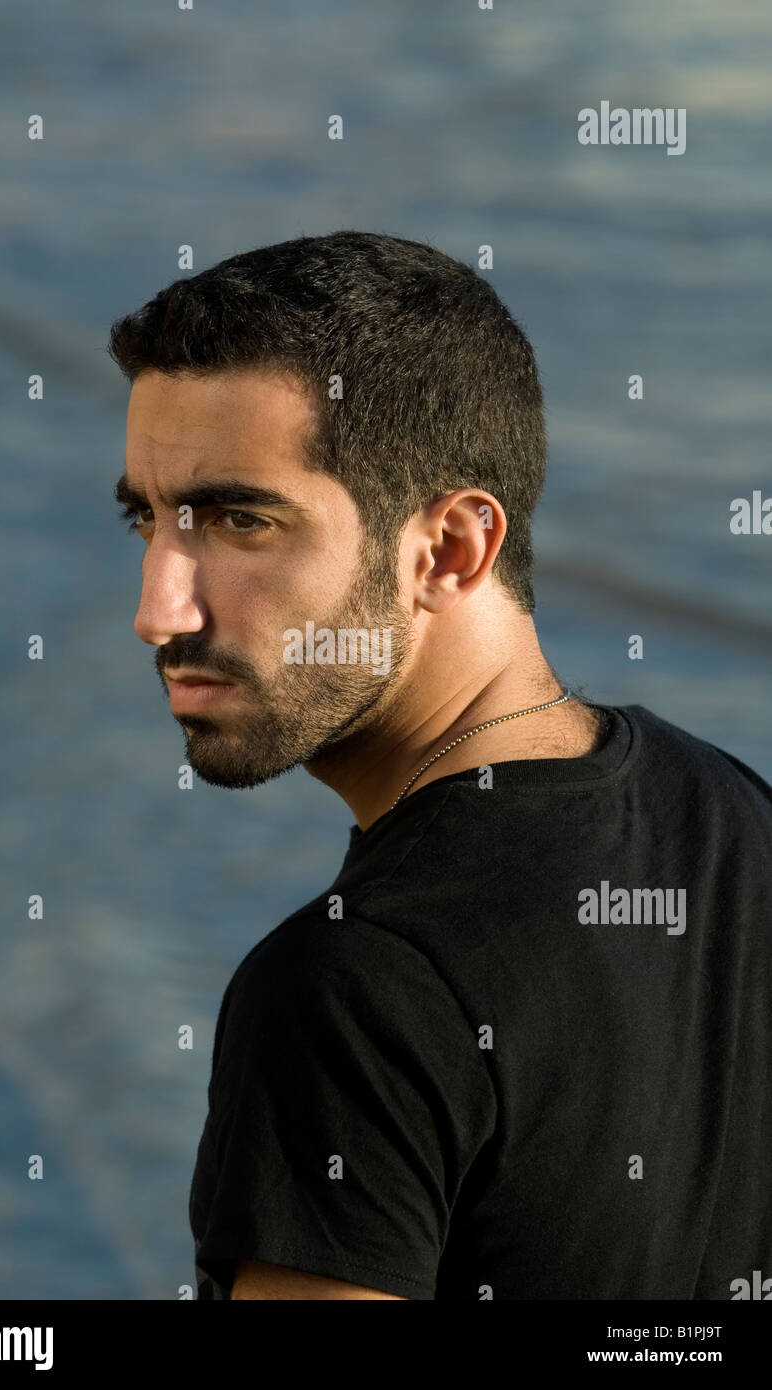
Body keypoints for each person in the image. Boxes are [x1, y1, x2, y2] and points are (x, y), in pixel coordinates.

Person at [107, 231, 772, 1300]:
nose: (158, 611)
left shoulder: (350, 989)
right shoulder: (734, 811)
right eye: (149, 519)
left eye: (241, 521)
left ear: (452, 548)